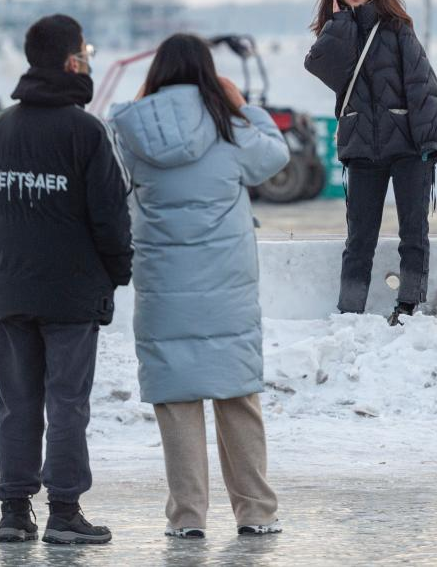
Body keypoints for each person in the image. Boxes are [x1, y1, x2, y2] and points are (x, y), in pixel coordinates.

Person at [109, 33, 289, 540]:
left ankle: (187, 518)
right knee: (238, 398)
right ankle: (256, 512)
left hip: (164, 291)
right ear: (208, 73)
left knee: (178, 402)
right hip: (226, 289)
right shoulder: (229, 125)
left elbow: (112, 187)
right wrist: (243, 105)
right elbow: (275, 157)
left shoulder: (130, 127)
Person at [0, 14, 133, 545]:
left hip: (12, 291)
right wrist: (116, 271)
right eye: (83, 51)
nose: (88, 58)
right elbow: (110, 217)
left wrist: (6, 262)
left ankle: (14, 514)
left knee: (17, 401)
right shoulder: (85, 132)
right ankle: (64, 512)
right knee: (66, 402)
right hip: (72, 295)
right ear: (70, 61)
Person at [304, 0, 437, 326]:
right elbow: (320, 68)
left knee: (413, 231)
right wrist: (340, 26)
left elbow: (422, 84)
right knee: (359, 239)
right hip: (362, 146)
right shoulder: (335, 32)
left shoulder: (397, 27)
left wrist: (429, 141)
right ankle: (350, 309)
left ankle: (410, 305)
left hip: (408, 146)